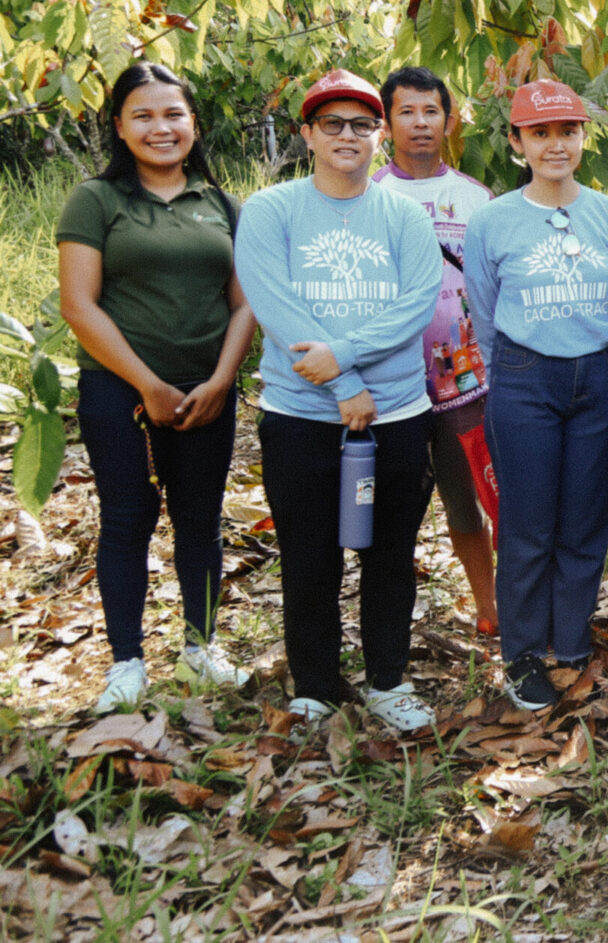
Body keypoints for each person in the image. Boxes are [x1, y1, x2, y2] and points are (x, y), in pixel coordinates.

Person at [234, 69, 440, 731]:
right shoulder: (273, 209)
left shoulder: (403, 215)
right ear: (307, 133)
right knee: (309, 551)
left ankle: (387, 680)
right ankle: (317, 684)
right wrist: (344, 385)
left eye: (361, 124)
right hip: (301, 416)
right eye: (332, 124)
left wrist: (345, 358)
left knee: (388, 554)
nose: (347, 135)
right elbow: (274, 301)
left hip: (398, 416)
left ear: (379, 134)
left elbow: (416, 303)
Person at [57, 62, 256, 712]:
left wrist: (223, 380)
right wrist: (147, 384)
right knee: (127, 520)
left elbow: (244, 304)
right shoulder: (97, 200)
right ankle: (127, 663)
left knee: (200, 519)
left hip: (208, 392)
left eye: (173, 113)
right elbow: (79, 306)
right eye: (142, 114)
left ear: (194, 124)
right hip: (120, 395)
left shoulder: (224, 206)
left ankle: (202, 648)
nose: (160, 127)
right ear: (119, 125)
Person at [463, 80, 608, 710]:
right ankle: (525, 651)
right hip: (525, 376)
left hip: (598, 374)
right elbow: (483, 311)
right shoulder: (493, 221)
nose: (555, 145)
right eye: (540, 134)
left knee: (585, 514)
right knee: (529, 520)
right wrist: (517, 364)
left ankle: (571, 634)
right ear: (516, 142)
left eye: (567, 132)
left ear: (584, 137)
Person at [372, 66, 498, 636]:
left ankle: (492, 610)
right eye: (406, 112)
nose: (420, 123)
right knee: (391, 505)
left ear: (449, 120)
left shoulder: (476, 199)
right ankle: (386, 618)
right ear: (387, 121)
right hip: (390, 378)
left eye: (431, 111)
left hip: (468, 378)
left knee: (471, 494)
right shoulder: (369, 195)